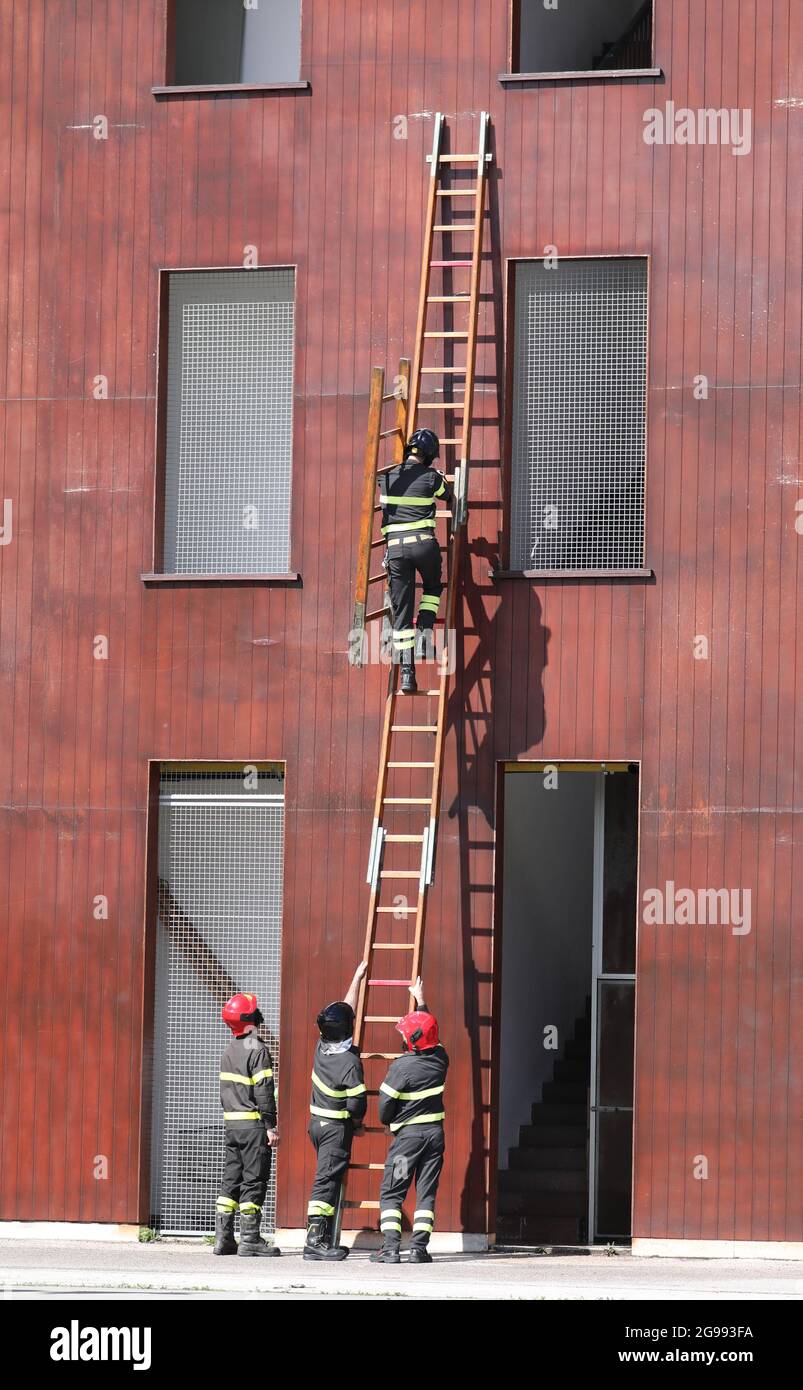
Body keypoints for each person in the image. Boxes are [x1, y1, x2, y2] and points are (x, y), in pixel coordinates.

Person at [370, 977, 448, 1264]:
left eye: (406, 1035)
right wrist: (421, 1000)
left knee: (393, 1192)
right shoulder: (441, 1059)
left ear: (412, 1042)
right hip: (434, 1139)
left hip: (407, 1142)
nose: (402, 1037)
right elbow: (431, 1033)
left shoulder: (401, 1068)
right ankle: (418, 1249)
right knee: (426, 1192)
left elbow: (384, 1109)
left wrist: (390, 1122)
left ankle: (390, 1248)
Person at [380, 428, 454, 693]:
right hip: (424, 546)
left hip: (396, 552)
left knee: (401, 614)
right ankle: (424, 631)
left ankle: (408, 675)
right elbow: (448, 494)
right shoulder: (431, 477)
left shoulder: (387, 478)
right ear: (430, 455)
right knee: (433, 587)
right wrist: (442, 479)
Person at [304, 961, 368, 1261]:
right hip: (334, 1130)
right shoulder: (350, 1064)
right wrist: (358, 1122)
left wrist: (355, 977)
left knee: (327, 1178)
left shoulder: (322, 1047)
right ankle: (314, 1243)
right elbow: (357, 1104)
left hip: (317, 1125)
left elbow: (344, 1012)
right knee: (326, 1181)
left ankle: (325, 1237)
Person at [215, 992, 281, 1258]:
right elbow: (264, 1092)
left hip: (232, 1127)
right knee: (254, 1180)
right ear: (250, 1019)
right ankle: (251, 1239)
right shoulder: (257, 1048)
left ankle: (223, 1239)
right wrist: (270, 1125)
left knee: (231, 1179)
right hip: (254, 1127)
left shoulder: (229, 1050)